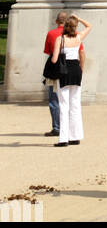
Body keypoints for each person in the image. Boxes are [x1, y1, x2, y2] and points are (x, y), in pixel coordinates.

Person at [51, 13, 91, 146]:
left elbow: (54, 59)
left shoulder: (60, 39)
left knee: (64, 105)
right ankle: (75, 136)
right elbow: (89, 26)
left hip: (64, 72)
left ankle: (63, 139)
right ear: (75, 27)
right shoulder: (79, 38)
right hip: (76, 70)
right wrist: (78, 18)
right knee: (75, 104)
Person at [42, 9, 68, 137]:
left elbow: (47, 51)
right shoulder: (73, 34)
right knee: (67, 99)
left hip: (55, 67)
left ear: (57, 21)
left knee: (54, 99)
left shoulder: (52, 33)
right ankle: (67, 127)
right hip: (69, 66)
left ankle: (57, 127)